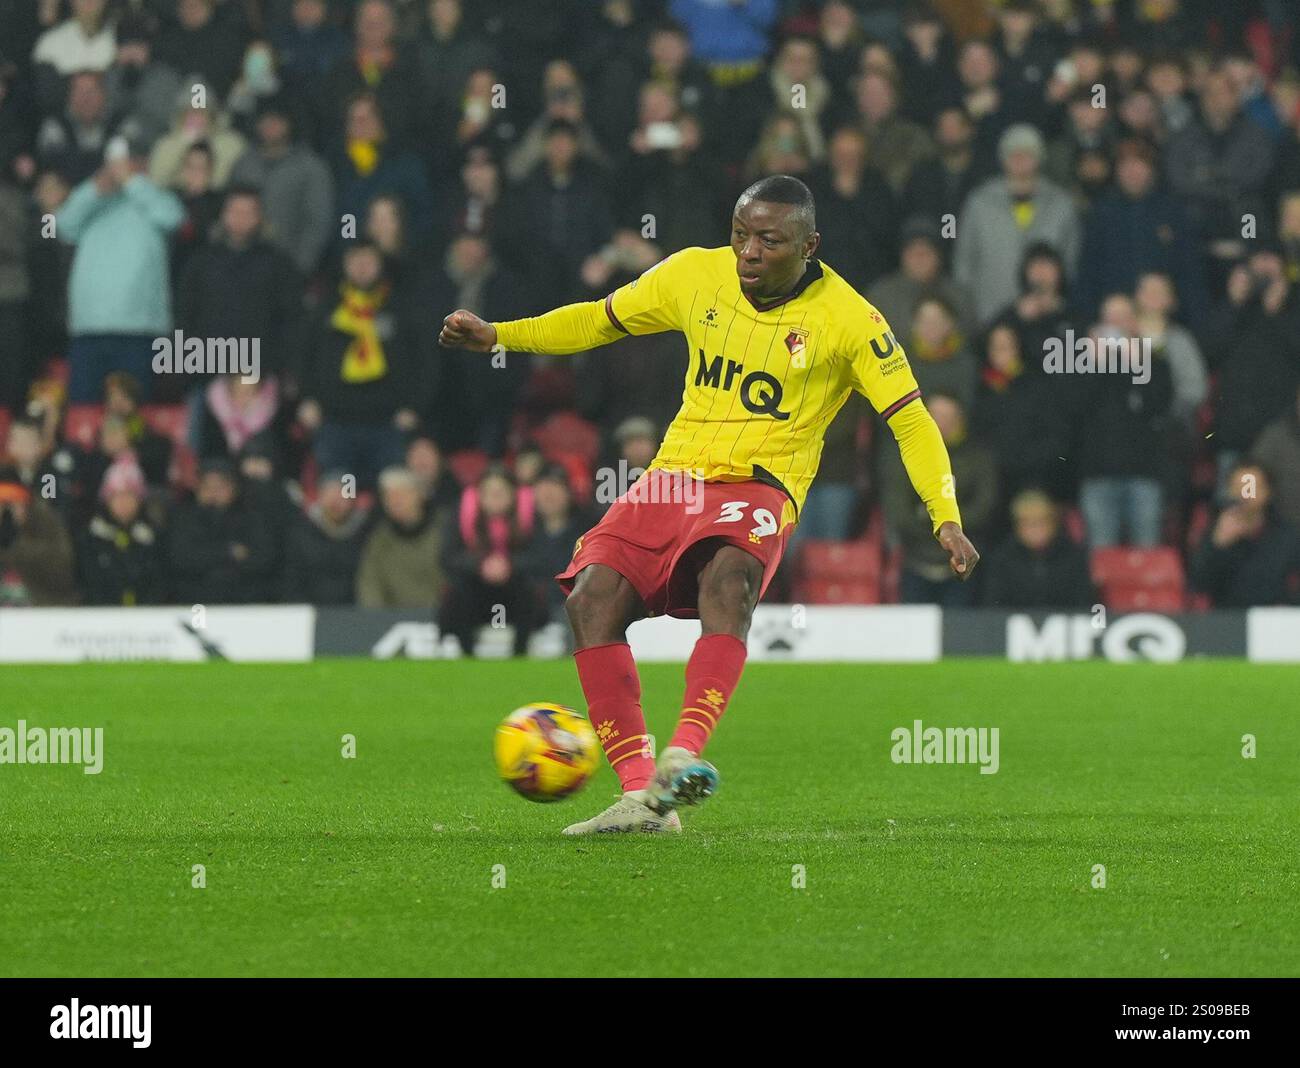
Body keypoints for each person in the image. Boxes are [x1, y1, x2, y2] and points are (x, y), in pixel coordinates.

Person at [439, 174, 978, 835]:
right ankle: (641, 797)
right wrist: (501, 336)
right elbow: (598, 319)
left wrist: (943, 512)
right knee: (590, 598)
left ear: (809, 246)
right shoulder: (694, 275)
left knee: (731, 579)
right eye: (740, 235)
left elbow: (911, 418)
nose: (749, 252)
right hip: (673, 474)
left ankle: (683, 754)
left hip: (761, 482)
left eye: (768, 241)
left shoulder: (852, 321)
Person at [982, 489, 1095, 609]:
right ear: (1017, 527)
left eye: (1041, 521)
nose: (1035, 529)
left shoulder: (1073, 557)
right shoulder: (1002, 559)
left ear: (1053, 523)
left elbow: (1084, 603)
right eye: (1028, 523)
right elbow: (993, 607)